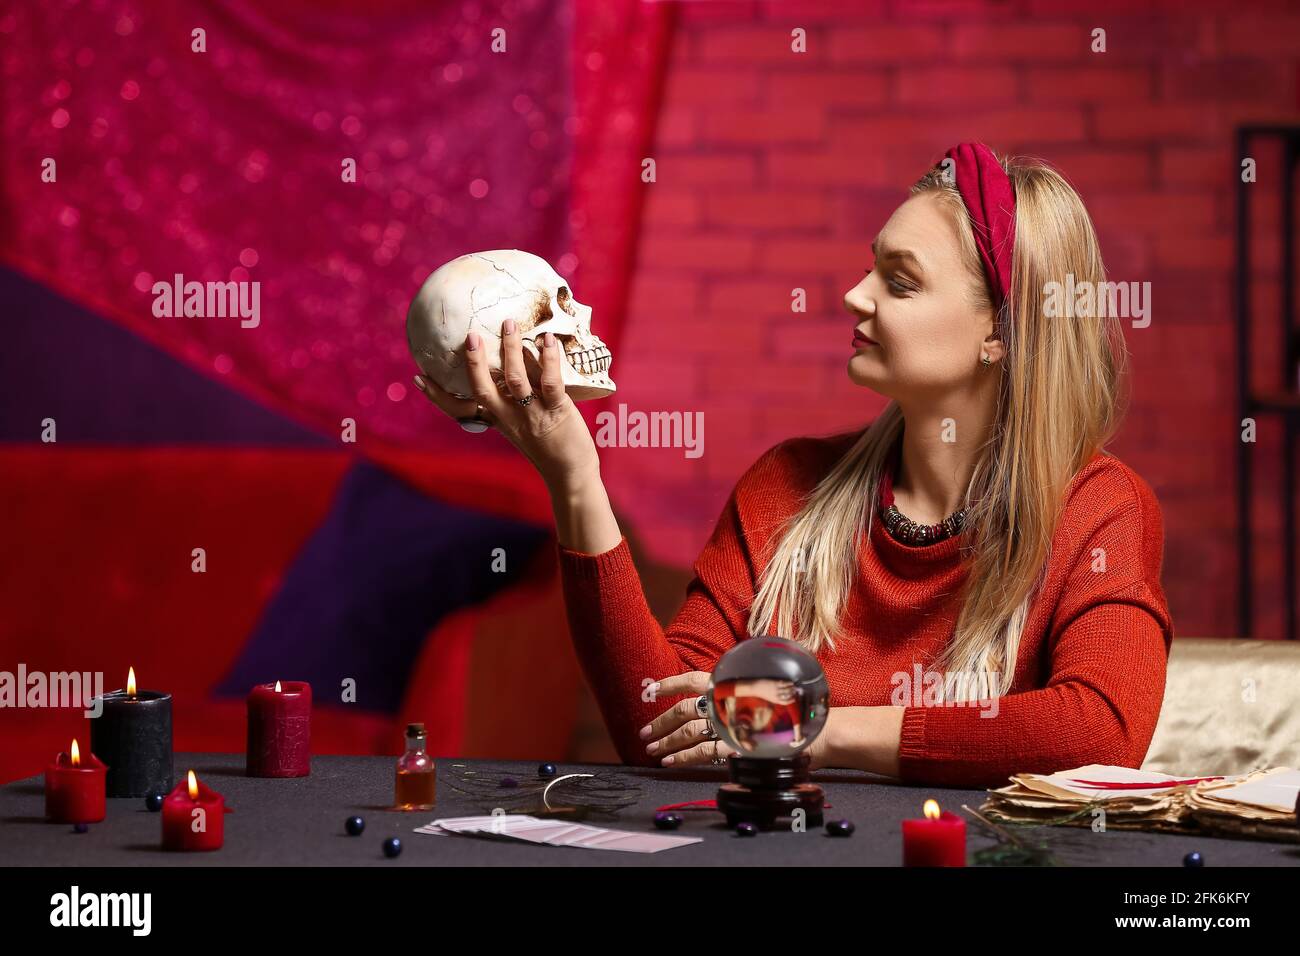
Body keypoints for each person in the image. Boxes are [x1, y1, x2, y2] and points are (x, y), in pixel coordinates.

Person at [413, 142, 1174, 788]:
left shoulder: (1101, 508)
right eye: (870, 267)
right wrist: (575, 477)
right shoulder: (787, 486)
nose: (855, 294)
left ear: (999, 335)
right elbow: (660, 727)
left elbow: (1102, 729)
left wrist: (807, 727)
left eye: (900, 281)